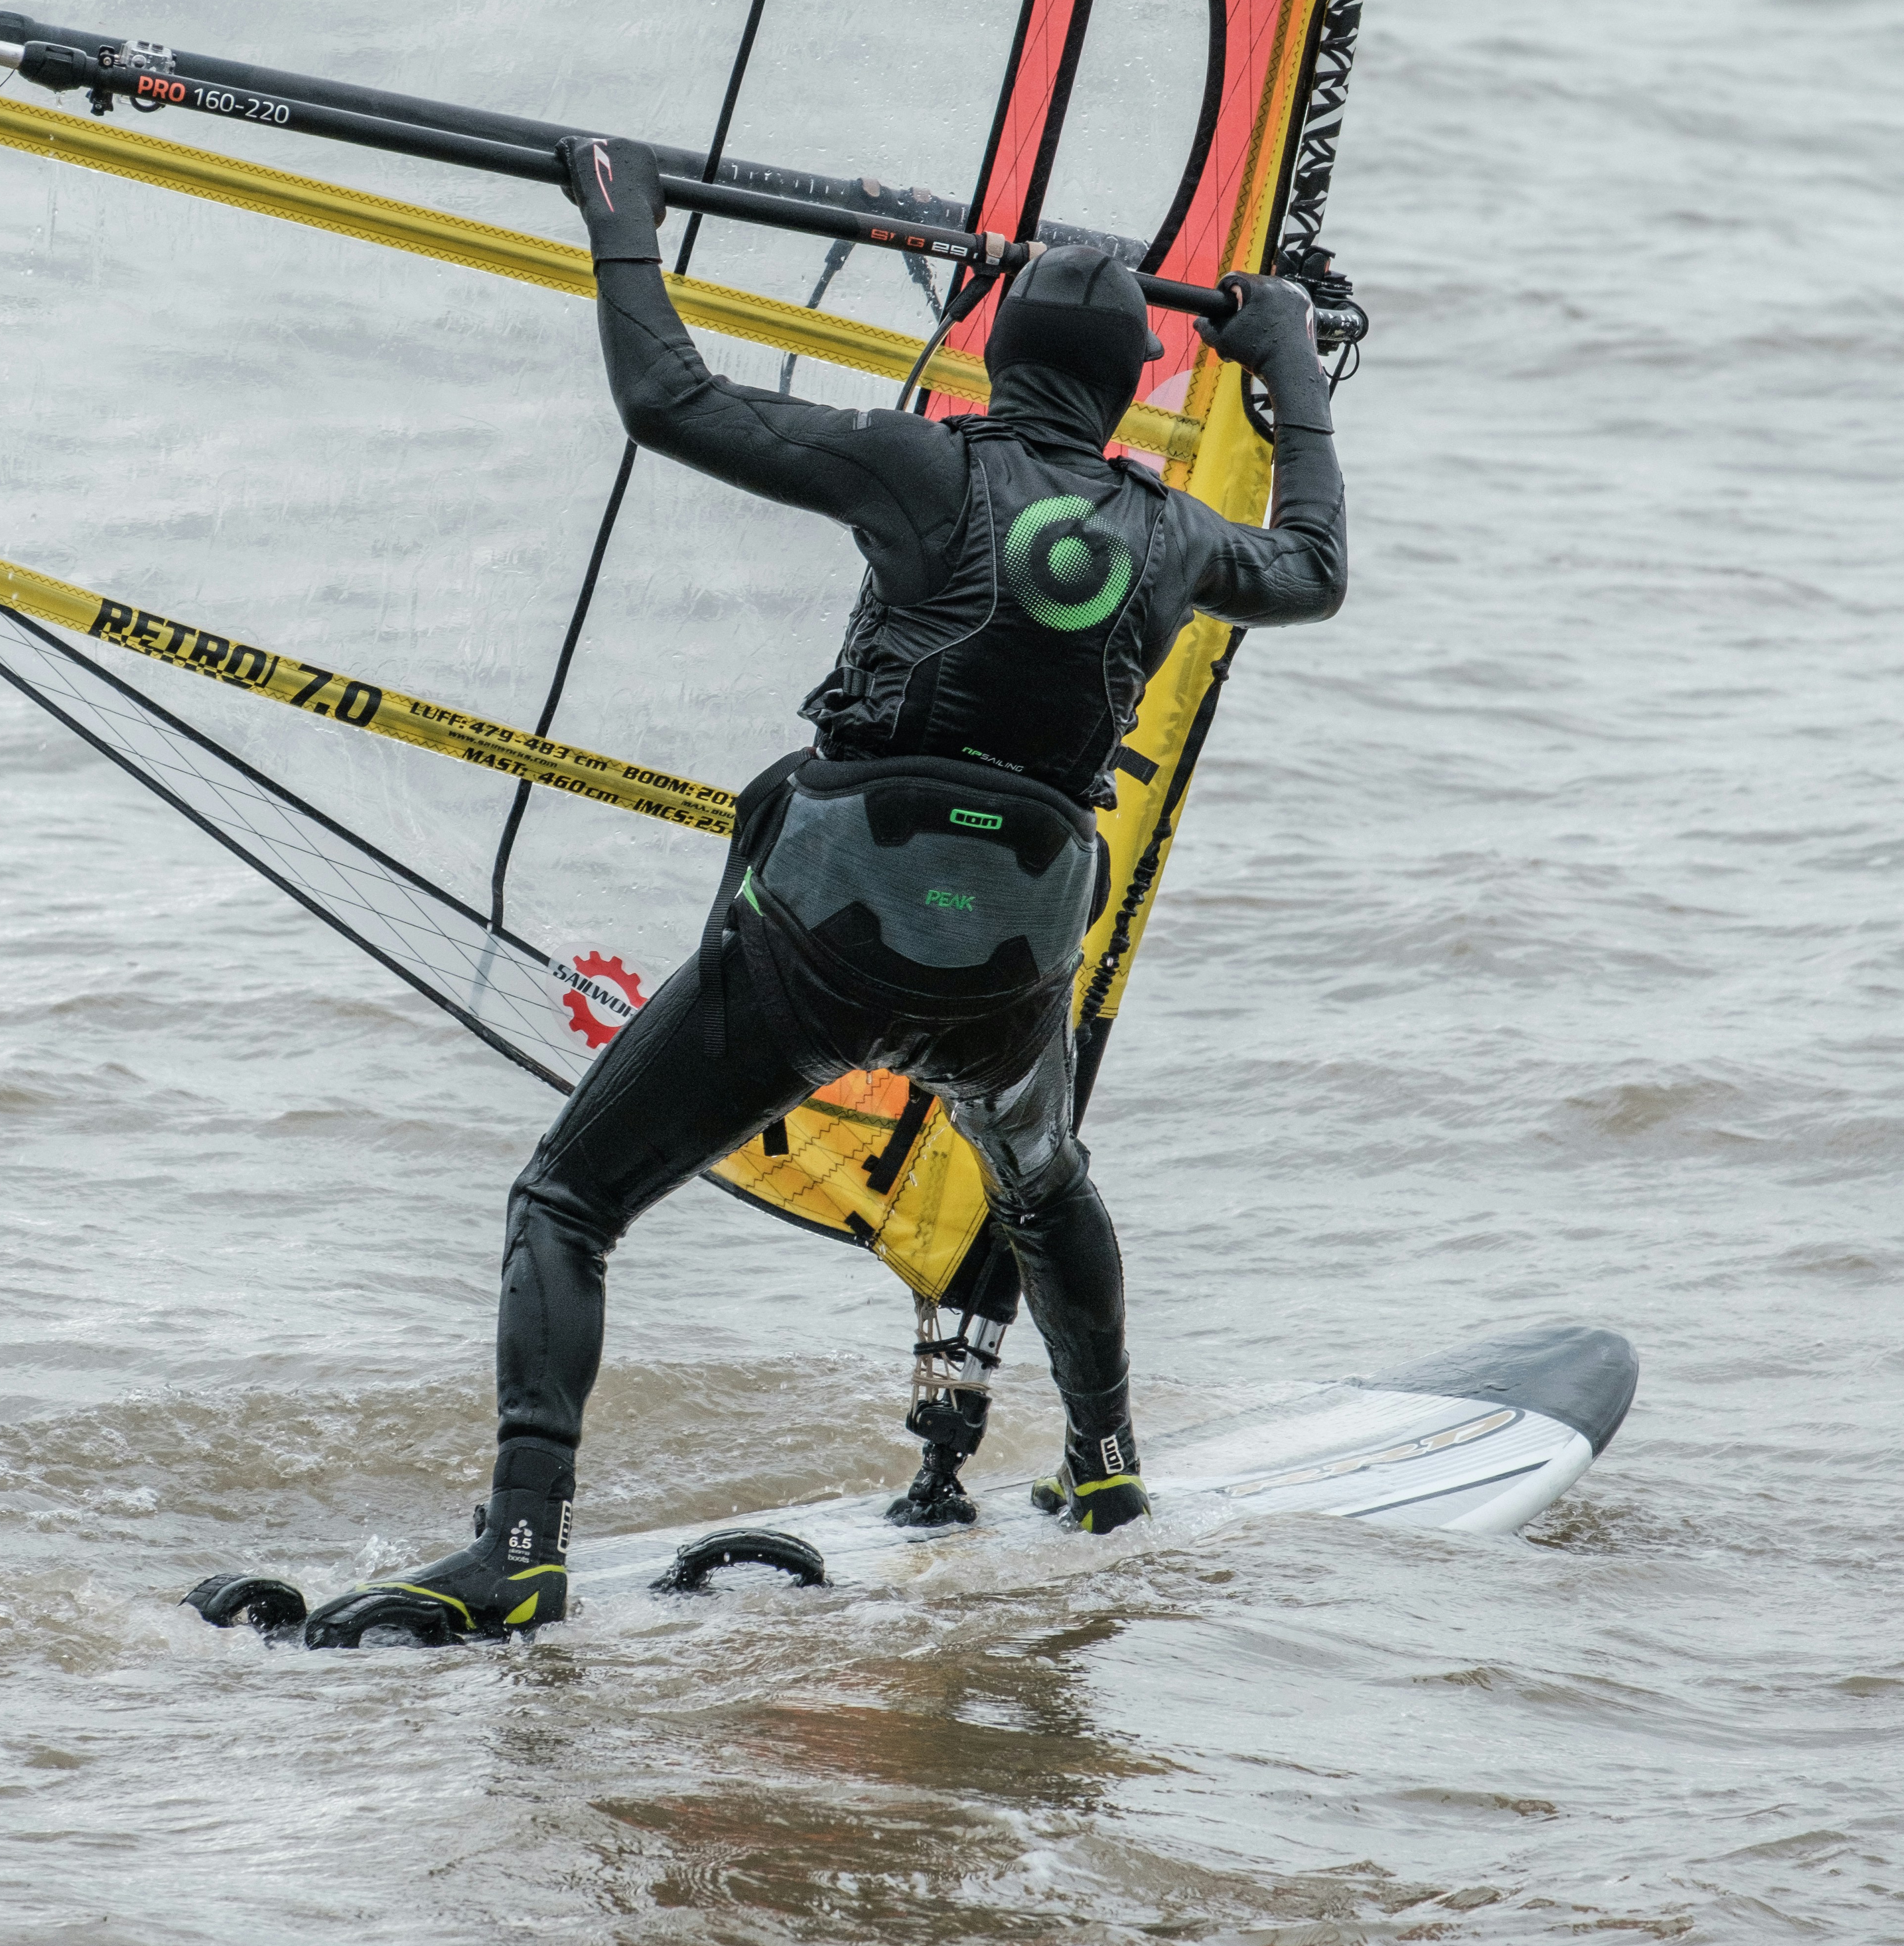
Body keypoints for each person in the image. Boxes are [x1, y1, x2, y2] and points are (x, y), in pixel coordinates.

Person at [303, 139, 1346, 1644]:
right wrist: (1288, 365)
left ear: (995, 349)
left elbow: (669, 403)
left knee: (567, 1202)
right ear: (1128, 392)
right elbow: (1314, 565)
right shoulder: (1174, 531)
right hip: (1005, 973)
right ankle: (1106, 1471)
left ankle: (523, 1543)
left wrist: (626, 218)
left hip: (825, 941)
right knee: (1045, 1185)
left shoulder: (927, 461)